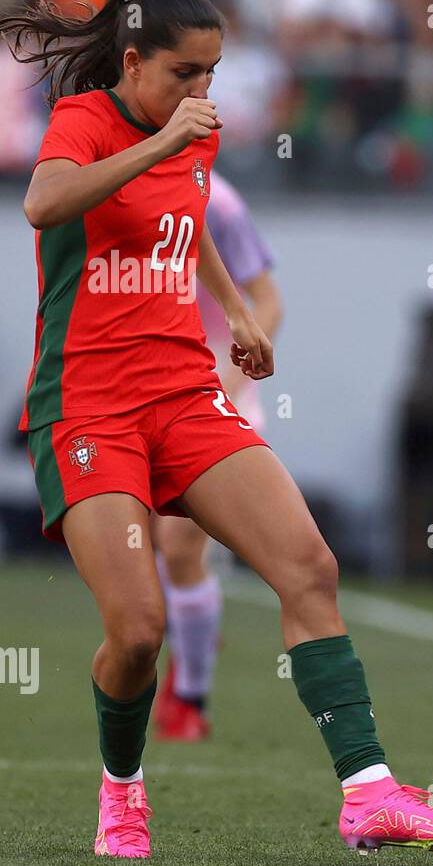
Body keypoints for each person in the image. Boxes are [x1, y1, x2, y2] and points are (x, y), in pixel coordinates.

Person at [0, 0, 433, 858]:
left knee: (309, 565)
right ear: (132, 63)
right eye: (184, 72)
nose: (202, 89)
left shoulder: (195, 135)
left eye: (213, 72)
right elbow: (44, 204)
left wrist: (235, 310)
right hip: (87, 409)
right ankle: (122, 789)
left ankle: (370, 792)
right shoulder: (82, 120)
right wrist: (160, 142)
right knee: (139, 629)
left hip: (184, 392)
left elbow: (181, 226)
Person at [153, 173, 283, 742]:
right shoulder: (115, 179)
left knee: (180, 546)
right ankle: (191, 634)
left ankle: (190, 693)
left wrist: (229, 378)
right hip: (146, 389)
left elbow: (269, 304)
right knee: (149, 552)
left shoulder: (221, 203)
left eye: (201, 79)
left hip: (214, 393)